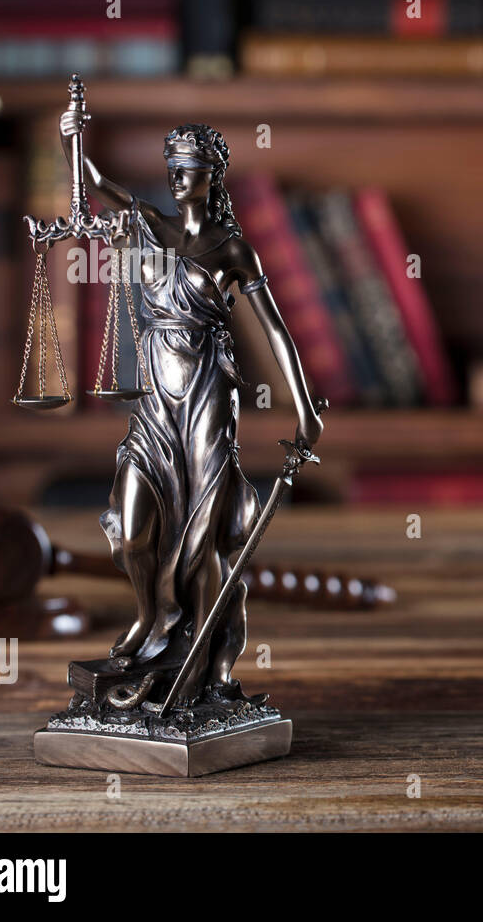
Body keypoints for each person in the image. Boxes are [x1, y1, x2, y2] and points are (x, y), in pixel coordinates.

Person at [60, 111, 323, 707]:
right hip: (154, 401)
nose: (179, 178)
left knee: (201, 533)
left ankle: (204, 664)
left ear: (213, 175)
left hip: (206, 398)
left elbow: (276, 330)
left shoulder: (233, 249)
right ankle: (151, 617)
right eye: (173, 168)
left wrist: (304, 408)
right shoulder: (151, 226)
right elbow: (97, 185)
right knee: (132, 532)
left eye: (192, 168)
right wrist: (72, 137)